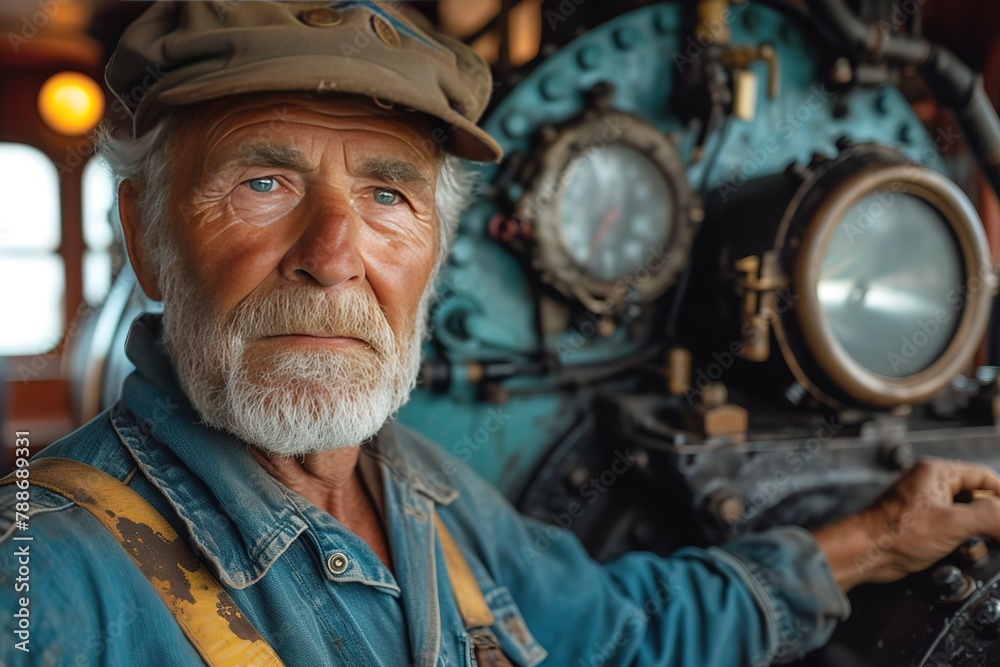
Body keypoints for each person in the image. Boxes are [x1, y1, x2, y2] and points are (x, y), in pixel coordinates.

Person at [4, 2, 1000, 665]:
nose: (334, 253)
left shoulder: (426, 490)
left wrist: (875, 539)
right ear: (146, 236)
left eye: (387, 193)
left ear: (434, 251)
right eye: (263, 183)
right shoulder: (45, 580)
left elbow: (618, 632)